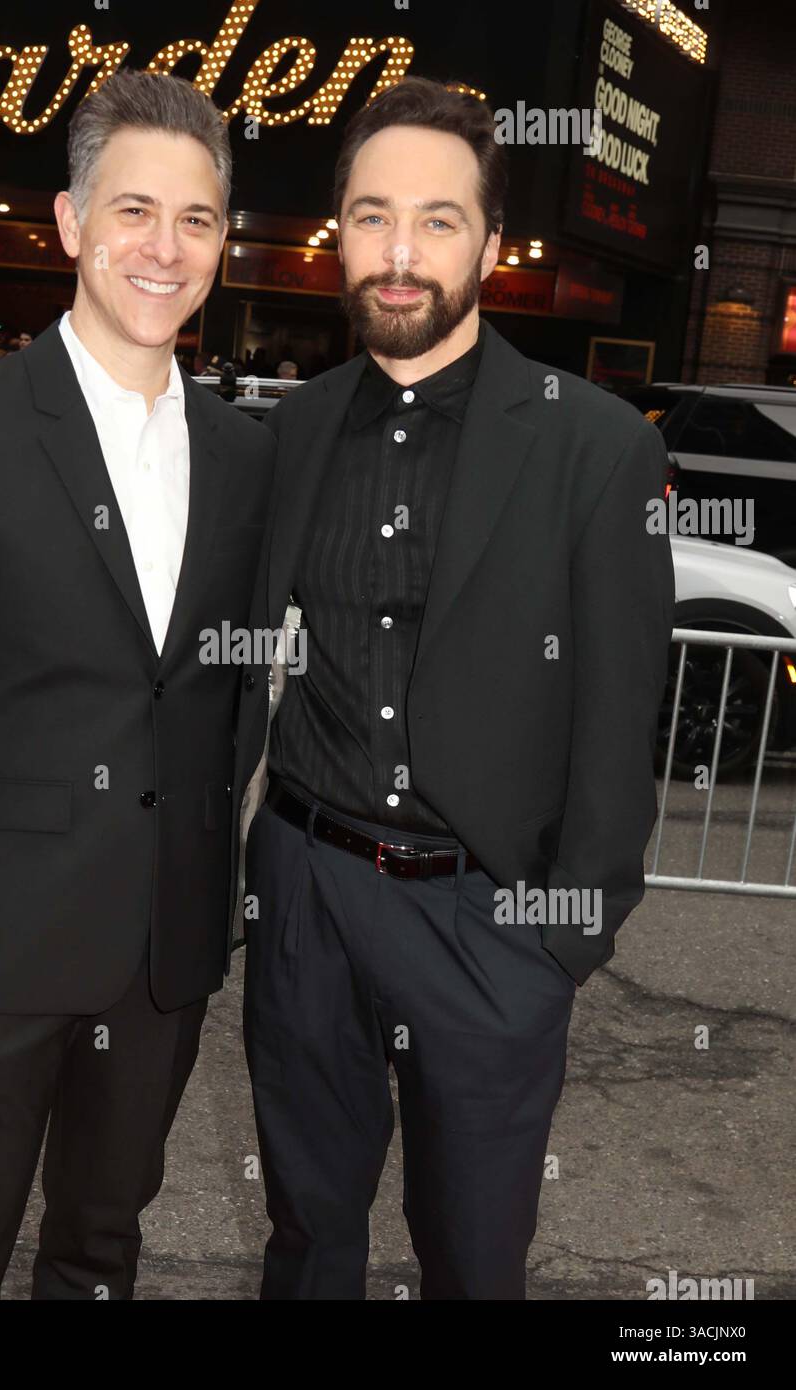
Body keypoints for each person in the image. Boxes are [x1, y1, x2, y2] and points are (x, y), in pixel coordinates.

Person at [0, 68, 274, 1301]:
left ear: (221, 245)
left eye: (194, 220)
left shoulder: (246, 456)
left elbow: (227, 700)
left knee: (99, 1255)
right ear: (73, 224)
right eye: (134, 211)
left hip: (159, 963)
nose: (163, 247)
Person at [233, 77, 675, 1300]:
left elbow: (616, 716)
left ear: (488, 245)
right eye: (372, 216)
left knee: (475, 1263)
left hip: (490, 921)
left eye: (437, 220)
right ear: (339, 235)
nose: (399, 252)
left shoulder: (594, 446)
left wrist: (560, 942)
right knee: (305, 1242)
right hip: (306, 893)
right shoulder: (291, 431)